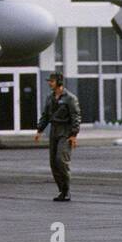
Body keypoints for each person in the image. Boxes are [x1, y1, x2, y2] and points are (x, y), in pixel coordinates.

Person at [35, 70, 81, 202]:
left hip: (65, 131)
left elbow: (76, 116)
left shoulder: (70, 98)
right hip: (54, 130)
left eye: (52, 81)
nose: (50, 83)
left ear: (59, 82)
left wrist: (74, 134)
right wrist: (39, 130)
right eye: (49, 81)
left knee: (61, 160)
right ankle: (61, 190)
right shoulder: (50, 98)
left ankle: (66, 191)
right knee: (53, 163)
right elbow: (45, 115)